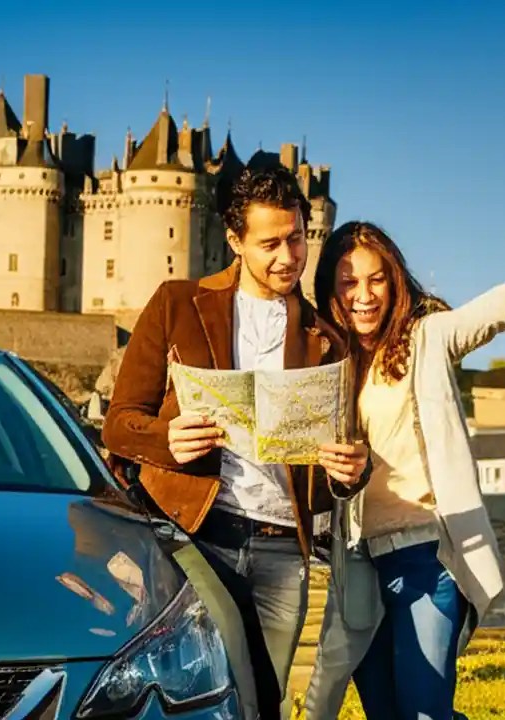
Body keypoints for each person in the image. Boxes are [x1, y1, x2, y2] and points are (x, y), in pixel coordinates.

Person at [102, 164, 371, 718]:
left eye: (296, 238)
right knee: (218, 689)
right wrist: (167, 437)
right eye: (270, 243)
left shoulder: (327, 339)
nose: (288, 257)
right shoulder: (178, 303)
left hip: (281, 543)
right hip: (198, 532)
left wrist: (349, 472)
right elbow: (120, 422)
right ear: (235, 241)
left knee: (263, 703)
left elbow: (333, 478)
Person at [303, 221, 505, 719]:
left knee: (424, 709)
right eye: (349, 282)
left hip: (425, 554)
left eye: (377, 279)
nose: (364, 295)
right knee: (384, 710)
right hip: (360, 564)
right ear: (331, 288)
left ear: (394, 282)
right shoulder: (330, 364)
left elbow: (482, 317)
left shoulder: (425, 338)